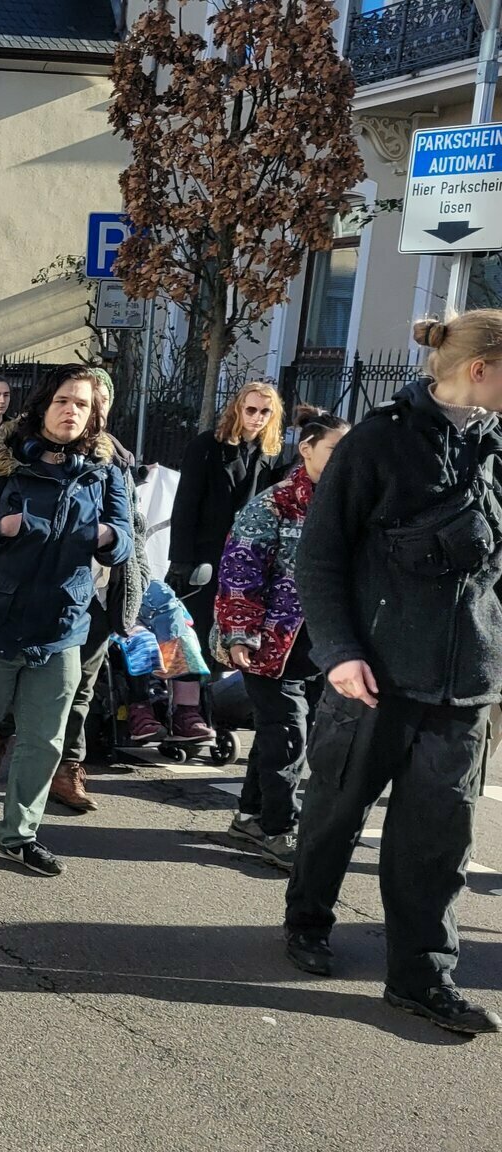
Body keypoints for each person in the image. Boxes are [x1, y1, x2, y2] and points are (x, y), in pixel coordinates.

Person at [283, 315, 502, 1035]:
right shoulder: (379, 440)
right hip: (372, 676)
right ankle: (307, 917)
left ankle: (420, 977)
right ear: (480, 368)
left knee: (439, 841)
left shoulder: (497, 445)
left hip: (466, 681)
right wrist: (339, 652)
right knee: (335, 812)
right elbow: (319, 556)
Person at [0, 367, 133, 877]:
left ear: (94, 413)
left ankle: (17, 836)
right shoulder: (2, 462)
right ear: (42, 405)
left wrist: (105, 535)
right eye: (62, 399)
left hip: (62, 628)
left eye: (81, 403)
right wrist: (3, 527)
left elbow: (127, 537)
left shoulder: (106, 470)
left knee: (43, 742)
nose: (71, 410)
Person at [210, 414, 349, 870]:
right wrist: (239, 634)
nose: (343, 460)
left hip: (325, 648)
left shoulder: (349, 505)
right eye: (333, 450)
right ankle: (278, 829)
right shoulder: (274, 505)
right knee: (289, 735)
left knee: (281, 736)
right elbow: (239, 573)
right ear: (306, 449)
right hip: (270, 646)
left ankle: (250, 816)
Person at [162, 380, 286, 741]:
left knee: (235, 634)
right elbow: (185, 506)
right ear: (237, 409)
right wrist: (181, 563)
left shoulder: (272, 454)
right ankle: (187, 710)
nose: (257, 418)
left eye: (265, 412)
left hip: (248, 561)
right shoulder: (207, 447)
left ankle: (216, 706)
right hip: (205, 556)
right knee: (194, 632)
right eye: (251, 410)